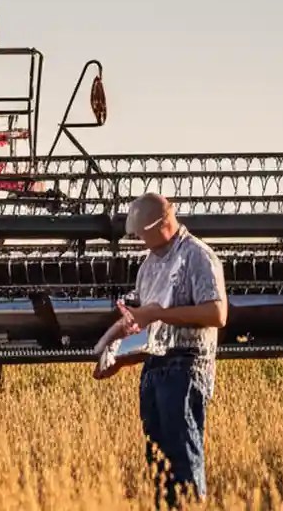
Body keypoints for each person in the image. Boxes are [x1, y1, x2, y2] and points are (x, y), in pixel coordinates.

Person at [93, 192, 228, 508]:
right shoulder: (149, 267)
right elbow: (147, 329)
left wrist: (156, 312)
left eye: (142, 233)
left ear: (163, 222)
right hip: (154, 369)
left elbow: (216, 314)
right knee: (159, 465)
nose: (139, 239)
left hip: (187, 366)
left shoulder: (198, 256)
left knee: (182, 459)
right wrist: (118, 359)